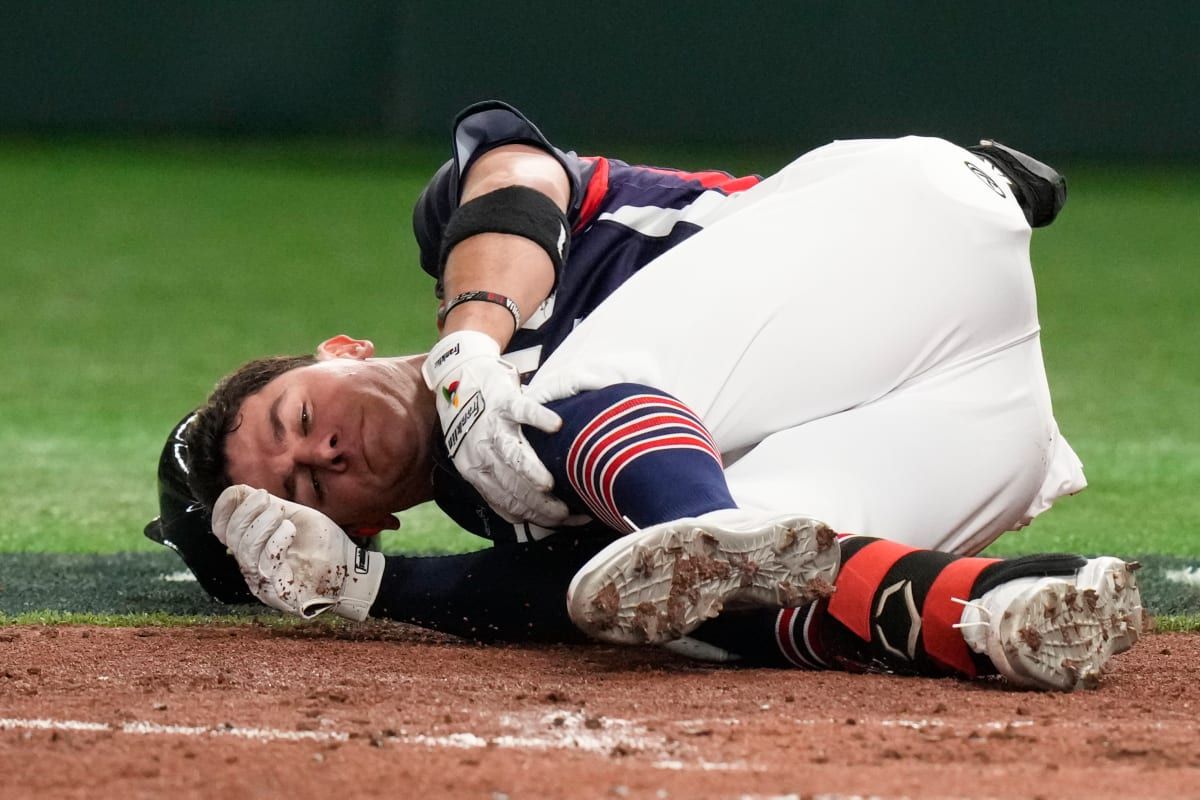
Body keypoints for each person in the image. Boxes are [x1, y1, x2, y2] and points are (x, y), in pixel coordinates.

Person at [147, 101, 1143, 691]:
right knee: (708, 605)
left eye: (296, 417)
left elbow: (514, 165)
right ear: (368, 521)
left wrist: (470, 343)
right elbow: (595, 597)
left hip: (909, 231)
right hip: (977, 422)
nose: (319, 454)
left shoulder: (463, 252)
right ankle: (989, 611)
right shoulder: (505, 517)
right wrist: (368, 591)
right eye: (312, 492)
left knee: (546, 400)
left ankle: (715, 526)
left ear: (338, 348)